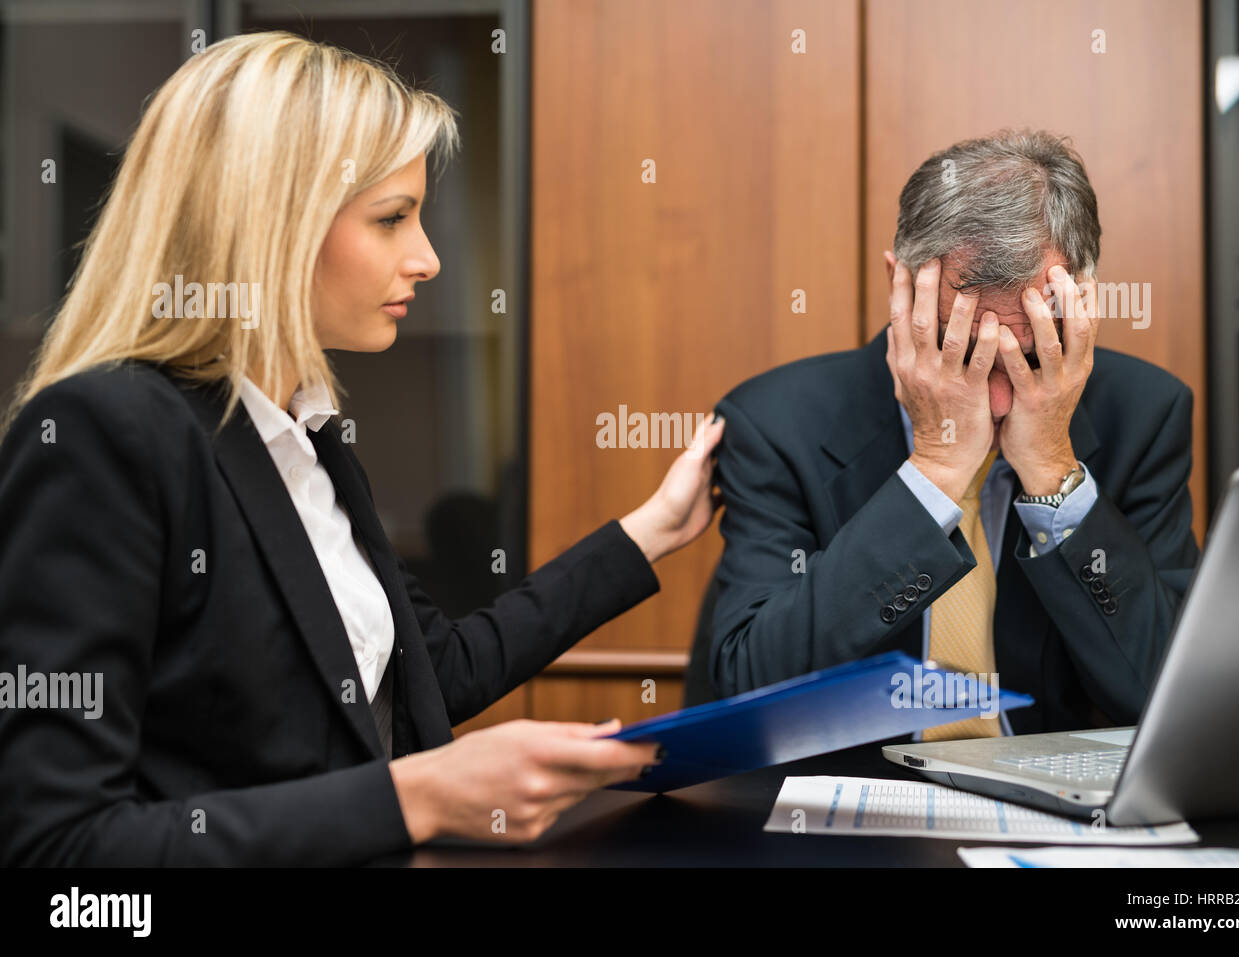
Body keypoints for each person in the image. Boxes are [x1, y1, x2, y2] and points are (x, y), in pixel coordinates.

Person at [0, 31, 724, 866]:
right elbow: (58, 854)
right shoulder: (106, 435)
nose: (427, 258)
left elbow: (434, 670)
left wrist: (652, 529)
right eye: (392, 218)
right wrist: (417, 796)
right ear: (270, 224)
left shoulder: (309, 438)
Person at [706, 130, 1198, 740]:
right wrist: (933, 472)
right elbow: (751, 692)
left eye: (1027, 357)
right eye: (958, 348)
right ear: (898, 287)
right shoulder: (776, 423)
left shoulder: (1144, 416)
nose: (993, 402)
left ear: (1083, 304)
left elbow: (1166, 697)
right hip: (846, 814)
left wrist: (1052, 467)